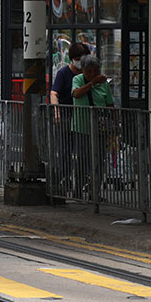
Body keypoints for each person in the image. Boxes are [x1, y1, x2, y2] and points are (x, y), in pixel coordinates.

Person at [71, 53, 114, 199]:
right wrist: (92, 83)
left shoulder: (104, 84)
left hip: (101, 129)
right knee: (82, 160)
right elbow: (76, 94)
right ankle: (78, 190)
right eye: (89, 71)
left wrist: (115, 123)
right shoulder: (77, 79)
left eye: (95, 70)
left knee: (99, 162)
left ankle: (94, 192)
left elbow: (110, 103)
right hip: (82, 128)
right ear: (82, 70)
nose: (92, 73)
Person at [49, 41, 90, 191]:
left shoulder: (88, 73)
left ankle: (81, 182)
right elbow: (54, 93)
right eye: (78, 59)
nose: (80, 63)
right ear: (72, 58)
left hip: (84, 118)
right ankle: (65, 179)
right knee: (66, 150)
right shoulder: (63, 73)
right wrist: (56, 111)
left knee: (84, 151)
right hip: (67, 116)